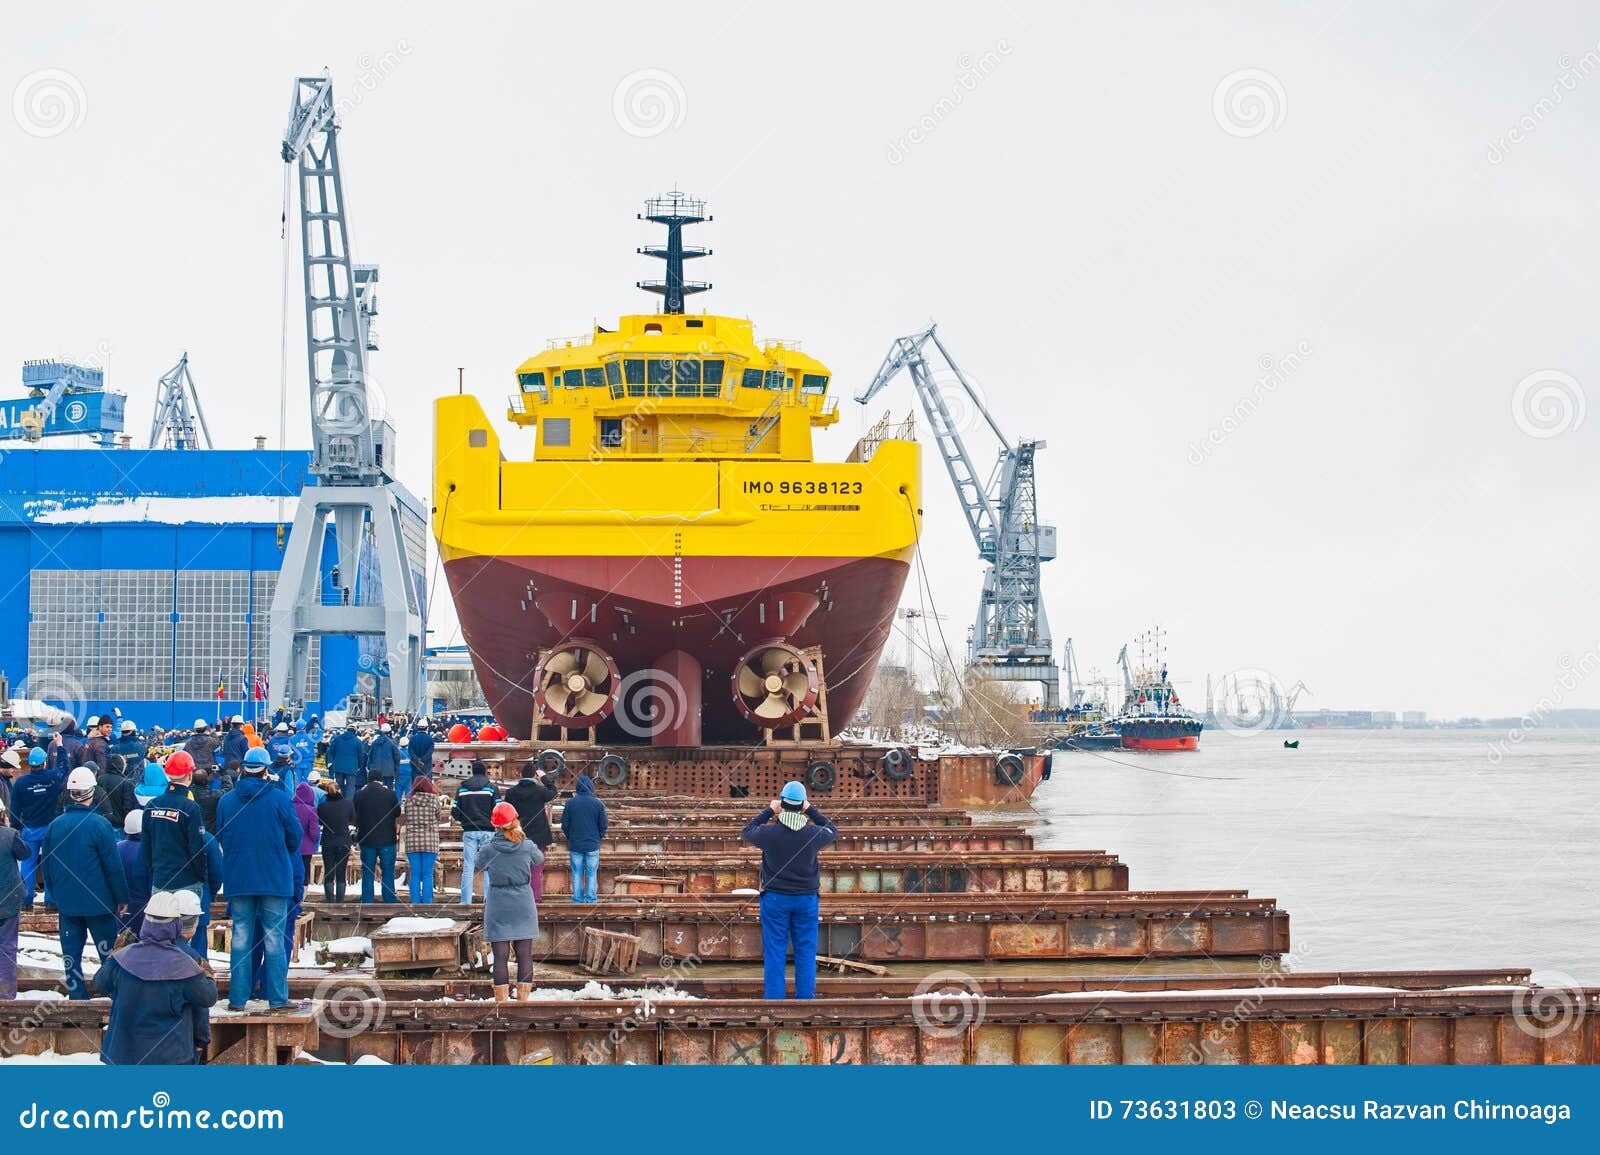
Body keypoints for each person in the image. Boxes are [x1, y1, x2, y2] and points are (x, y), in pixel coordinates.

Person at [216, 745, 300, 1010]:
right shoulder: (279, 799)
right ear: (267, 770)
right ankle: (277, 999)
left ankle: (238, 999)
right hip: (274, 879)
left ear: (243, 769)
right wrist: (276, 853)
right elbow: (295, 838)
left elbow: (222, 836)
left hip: (239, 879)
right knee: (274, 938)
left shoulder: (227, 801)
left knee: (241, 937)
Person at [94, 889, 218, 1065]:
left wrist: (114, 954)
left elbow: (100, 982)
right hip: (169, 1058)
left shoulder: (122, 959)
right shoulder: (186, 965)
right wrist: (204, 972)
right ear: (177, 925)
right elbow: (208, 997)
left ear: (145, 922)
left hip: (122, 1055)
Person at [741, 781, 837, 1000]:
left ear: (782, 803)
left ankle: (775, 1001)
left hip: (775, 899)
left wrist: (769, 810)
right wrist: (810, 809)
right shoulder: (814, 833)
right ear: (801, 804)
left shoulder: (769, 833)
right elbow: (832, 829)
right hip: (806, 900)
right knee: (806, 952)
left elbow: (748, 830)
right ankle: (804, 1000)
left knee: (775, 952)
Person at [41, 768, 130, 999]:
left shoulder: (55, 826)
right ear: (92, 792)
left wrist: (56, 895)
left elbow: (47, 868)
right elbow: (113, 867)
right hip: (99, 905)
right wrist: (122, 898)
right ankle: (115, 997)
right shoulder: (100, 825)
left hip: (68, 905)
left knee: (71, 958)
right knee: (108, 955)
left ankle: (77, 999)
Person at [140, 750, 208, 947]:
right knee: (185, 940)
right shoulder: (190, 808)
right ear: (189, 775)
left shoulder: (152, 806)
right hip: (187, 881)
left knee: (159, 938)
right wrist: (200, 876)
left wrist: (155, 871)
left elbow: (146, 847)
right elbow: (197, 848)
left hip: (161, 880)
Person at [477, 801, 543, 1002]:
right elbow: (539, 860)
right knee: (524, 953)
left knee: (500, 956)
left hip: (498, 902)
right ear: (515, 821)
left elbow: (479, 864)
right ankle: (523, 999)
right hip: (523, 900)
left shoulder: (489, 848)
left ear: (495, 825)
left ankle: (501, 1001)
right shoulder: (527, 845)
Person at [9, 745, 67, 909]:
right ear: (44, 763)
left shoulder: (21, 783)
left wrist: (16, 826)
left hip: (30, 829)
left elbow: (14, 808)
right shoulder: (52, 778)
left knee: (27, 864)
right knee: (50, 864)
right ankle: (51, 901)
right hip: (50, 829)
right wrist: (60, 746)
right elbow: (64, 766)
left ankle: (26, 900)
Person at [506, 760, 558, 901]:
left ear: (521, 775)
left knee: (519, 870)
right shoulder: (540, 791)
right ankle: (535, 900)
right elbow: (554, 792)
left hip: (518, 836)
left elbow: (508, 815)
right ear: (534, 775)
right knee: (536, 871)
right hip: (539, 837)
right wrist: (544, 778)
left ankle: (520, 899)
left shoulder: (511, 793)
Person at [451, 760, 499, 902]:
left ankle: (465, 901)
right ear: (484, 771)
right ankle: (488, 900)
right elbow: (498, 809)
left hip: (469, 830)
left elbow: (455, 811)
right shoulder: (491, 788)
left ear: (472, 771)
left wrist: (463, 820)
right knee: (488, 866)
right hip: (488, 830)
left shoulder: (462, 788)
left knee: (468, 865)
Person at [559, 773, 608, 904]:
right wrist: (598, 837)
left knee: (576, 873)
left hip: (575, 844)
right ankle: (591, 900)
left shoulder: (570, 803)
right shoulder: (597, 804)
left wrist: (571, 837)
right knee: (592, 874)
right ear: (591, 787)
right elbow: (603, 825)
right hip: (592, 844)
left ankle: (577, 900)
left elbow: (564, 825)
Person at [0, 799, 31, 999]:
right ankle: (6, 995)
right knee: (7, 948)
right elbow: (25, 853)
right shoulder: (8, 836)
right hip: (8, 901)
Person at [354, 772, 400, 904]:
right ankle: (389, 900)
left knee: (367, 871)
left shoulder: (359, 795)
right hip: (387, 839)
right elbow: (397, 812)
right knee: (388, 870)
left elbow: (355, 815)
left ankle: (367, 900)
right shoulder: (390, 794)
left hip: (367, 839)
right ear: (381, 780)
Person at [400, 776, 443, 904]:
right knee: (428, 873)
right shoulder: (434, 801)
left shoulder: (409, 801)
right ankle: (427, 902)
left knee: (415, 873)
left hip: (412, 842)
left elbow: (406, 817)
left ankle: (415, 902)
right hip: (430, 842)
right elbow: (439, 817)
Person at [315, 777, 354, 903]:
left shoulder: (322, 807)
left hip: (328, 841)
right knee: (341, 872)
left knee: (329, 871)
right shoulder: (347, 804)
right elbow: (353, 819)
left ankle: (330, 901)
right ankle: (340, 901)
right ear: (339, 791)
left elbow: (319, 821)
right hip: (343, 841)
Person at [116, 809, 152, 939]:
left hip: (120, 906)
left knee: (123, 944)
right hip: (144, 906)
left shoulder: (117, 848)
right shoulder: (149, 851)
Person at [96, 750, 139, 831]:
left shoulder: (99, 780)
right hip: (119, 826)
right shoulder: (126, 783)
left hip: (101, 823)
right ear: (121, 765)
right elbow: (128, 807)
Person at [326, 725, 367, 800]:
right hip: (352, 767)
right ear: (355, 731)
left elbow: (331, 752)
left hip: (338, 766)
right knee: (350, 787)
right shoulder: (357, 741)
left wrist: (332, 762)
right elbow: (361, 756)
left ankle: (338, 802)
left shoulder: (337, 739)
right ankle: (348, 805)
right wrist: (359, 766)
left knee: (339, 786)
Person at [292, 781, 320, 879]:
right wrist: (314, 840)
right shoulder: (311, 810)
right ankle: (303, 892)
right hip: (306, 847)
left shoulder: (290, 807)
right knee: (304, 871)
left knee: (292, 871)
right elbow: (314, 831)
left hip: (291, 845)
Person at [366, 723, 402, 792]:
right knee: (388, 791)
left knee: (377, 791)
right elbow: (397, 756)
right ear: (389, 732)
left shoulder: (375, 742)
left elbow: (370, 755)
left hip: (376, 771)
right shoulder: (392, 743)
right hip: (389, 771)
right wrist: (396, 768)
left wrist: (369, 766)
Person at [406, 721, 435, 791]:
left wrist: (417, 760)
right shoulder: (430, 739)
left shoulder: (412, 739)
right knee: (427, 786)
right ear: (427, 728)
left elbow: (410, 751)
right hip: (426, 766)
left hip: (415, 766)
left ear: (417, 727)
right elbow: (430, 752)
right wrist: (423, 760)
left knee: (415, 785)